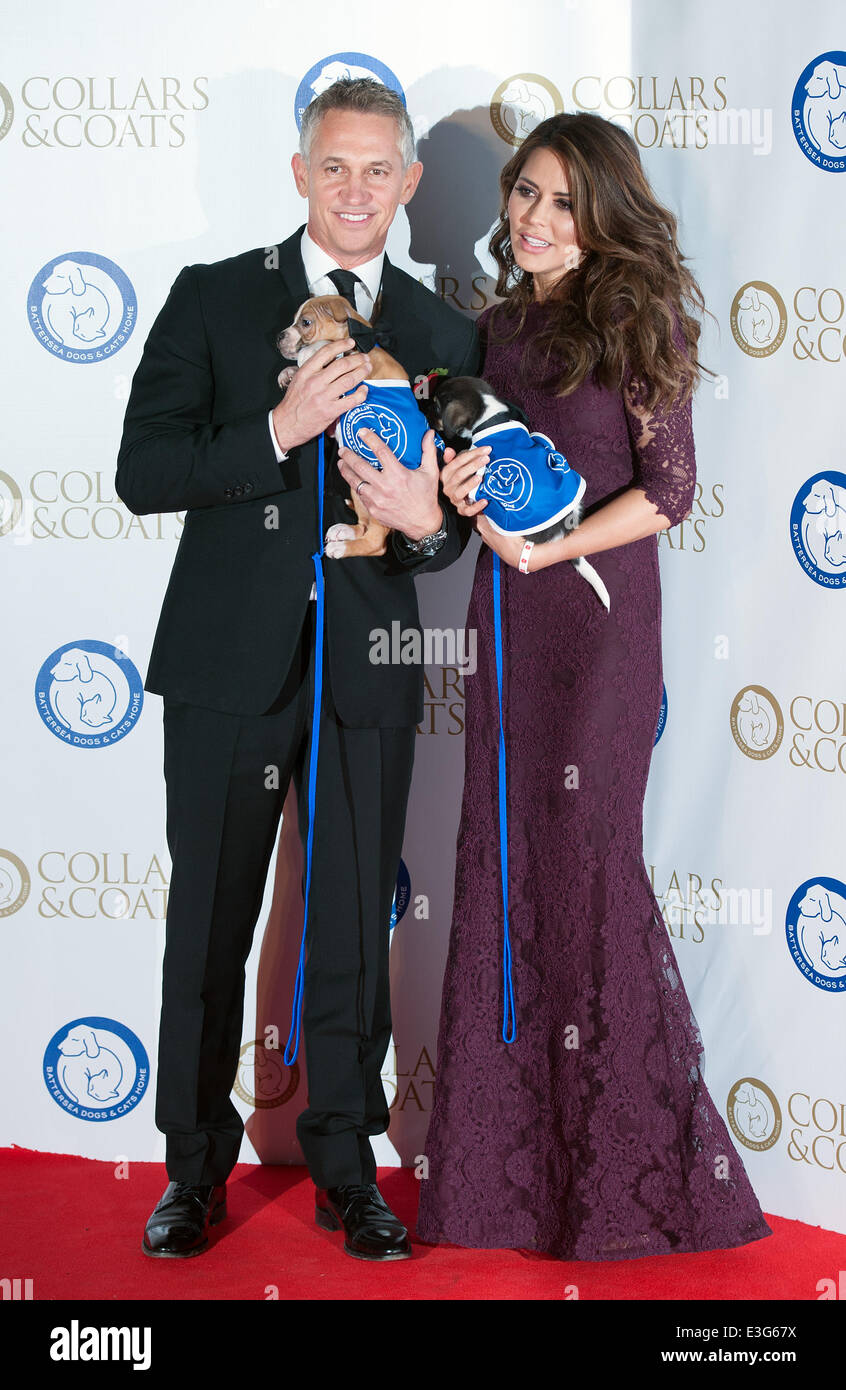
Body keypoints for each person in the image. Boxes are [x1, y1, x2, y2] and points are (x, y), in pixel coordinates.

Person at [115, 77, 479, 1262]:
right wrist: (276, 431)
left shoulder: (437, 332)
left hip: (366, 669)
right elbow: (143, 468)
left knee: (349, 927)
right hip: (228, 667)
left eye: (381, 170)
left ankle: (343, 1167)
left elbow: (453, 531)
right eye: (337, 167)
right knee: (208, 923)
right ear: (299, 172)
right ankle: (190, 1168)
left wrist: (426, 517)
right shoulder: (216, 298)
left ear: (411, 182)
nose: (358, 190)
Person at [413, 112, 773, 1259]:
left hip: (600, 631)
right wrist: (465, 492)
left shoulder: (633, 313)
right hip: (507, 620)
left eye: (562, 201)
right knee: (509, 862)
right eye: (525, 193)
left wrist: (552, 548)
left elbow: (670, 487)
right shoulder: (495, 326)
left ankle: (630, 1178)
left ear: (603, 210)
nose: (531, 218)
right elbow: (483, 487)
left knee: (588, 864)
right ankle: (507, 1180)